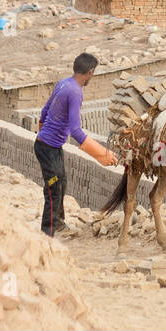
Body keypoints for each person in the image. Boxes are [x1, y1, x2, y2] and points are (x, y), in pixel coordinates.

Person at [35, 52, 117, 236]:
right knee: (54, 187)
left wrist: (43, 134)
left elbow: (44, 110)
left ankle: (58, 223)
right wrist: (102, 155)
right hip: (47, 148)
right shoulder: (75, 92)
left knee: (61, 182)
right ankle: (46, 233)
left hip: (50, 146)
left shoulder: (64, 83)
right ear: (90, 72)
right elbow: (76, 131)